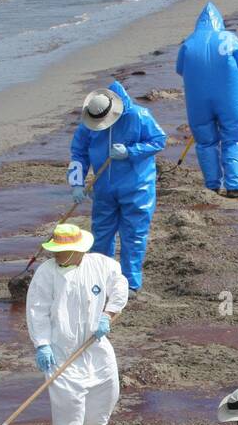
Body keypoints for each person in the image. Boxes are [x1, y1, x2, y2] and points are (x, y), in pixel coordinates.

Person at [25, 220, 128, 425]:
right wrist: (42, 344)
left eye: (61, 252)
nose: (56, 255)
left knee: (106, 387)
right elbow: (36, 310)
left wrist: (108, 315)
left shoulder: (102, 265)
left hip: (94, 343)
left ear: (78, 250)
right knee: (68, 398)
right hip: (61, 347)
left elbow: (120, 286)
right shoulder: (46, 273)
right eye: (54, 251)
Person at [67, 82, 166, 293]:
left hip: (137, 187)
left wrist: (131, 151)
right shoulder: (88, 124)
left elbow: (159, 141)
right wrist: (77, 183)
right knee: (101, 234)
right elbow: (78, 154)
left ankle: (130, 283)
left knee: (134, 235)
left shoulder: (139, 116)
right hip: (103, 188)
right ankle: (101, 280)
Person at [176, 2, 238, 197]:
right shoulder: (228, 38)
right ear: (219, 21)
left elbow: (180, 69)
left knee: (205, 142)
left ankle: (212, 184)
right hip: (229, 96)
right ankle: (235, 184)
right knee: (235, 136)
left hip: (198, 100)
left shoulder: (189, 42)